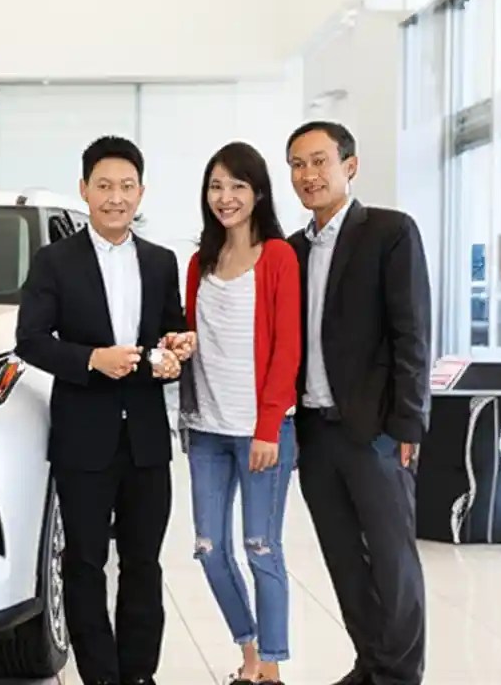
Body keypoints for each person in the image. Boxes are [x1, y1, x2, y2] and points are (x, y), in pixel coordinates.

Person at [15, 135, 186, 685]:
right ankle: (101, 676)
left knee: (144, 564)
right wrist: (92, 359)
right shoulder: (54, 261)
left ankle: (139, 674)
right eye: (105, 186)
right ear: (84, 190)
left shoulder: (161, 262)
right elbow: (31, 340)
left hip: (145, 441)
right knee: (85, 565)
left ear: (141, 192)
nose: (116, 197)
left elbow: (169, 332)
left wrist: (174, 354)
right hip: (82, 437)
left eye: (127, 186)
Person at [284, 121, 431, 685]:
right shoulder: (293, 249)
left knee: (393, 564)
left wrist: (407, 426)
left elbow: (412, 334)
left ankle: (399, 675)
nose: (308, 174)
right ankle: (371, 664)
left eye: (319, 161)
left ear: (350, 165)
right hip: (317, 434)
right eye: (298, 164)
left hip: (376, 433)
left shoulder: (389, 232)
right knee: (345, 561)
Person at [172, 141, 300, 685]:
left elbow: (287, 349)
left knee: (261, 547)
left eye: (237, 187)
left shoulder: (278, 256)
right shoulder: (200, 261)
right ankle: (248, 646)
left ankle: (268, 669)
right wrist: (180, 345)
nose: (225, 198)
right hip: (206, 430)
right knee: (208, 549)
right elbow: (196, 337)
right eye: (216, 187)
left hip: (261, 432)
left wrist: (268, 426)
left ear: (258, 193)